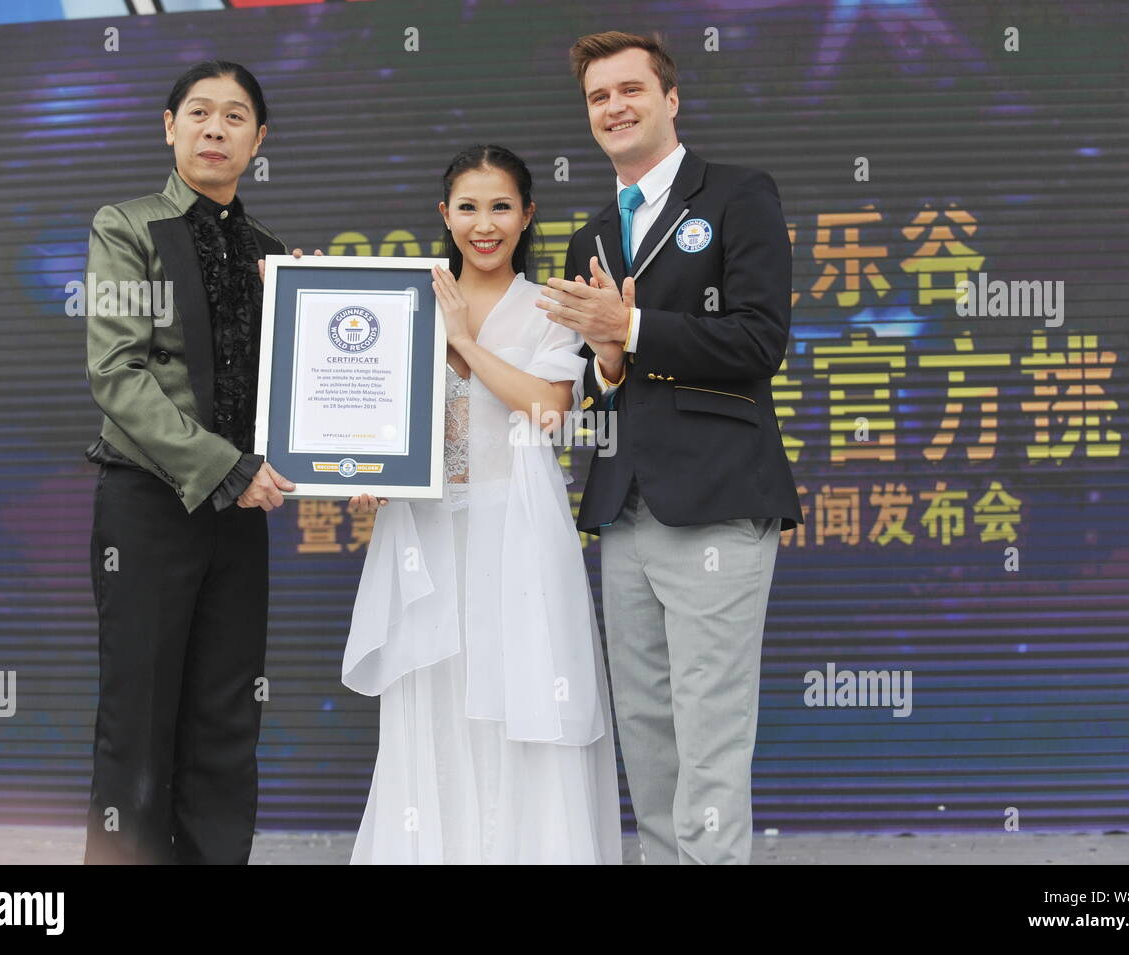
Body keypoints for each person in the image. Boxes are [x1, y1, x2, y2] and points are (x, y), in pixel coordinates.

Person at [537, 31, 805, 865]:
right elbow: (604, 378)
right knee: (646, 726)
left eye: (630, 90)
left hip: (718, 501)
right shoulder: (590, 236)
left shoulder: (735, 195)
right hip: (625, 506)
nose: (614, 107)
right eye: (598, 97)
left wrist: (635, 326)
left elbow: (761, 341)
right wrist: (611, 361)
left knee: (709, 723)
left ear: (670, 98)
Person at [341, 145, 622, 864]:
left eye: (501, 206)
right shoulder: (407, 299)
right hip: (426, 532)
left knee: (524, 700)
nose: (484, 224)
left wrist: (464, 341)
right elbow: (365, 403)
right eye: (468, 207)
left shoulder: (551, 307)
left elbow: (548, 410)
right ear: (445, 214)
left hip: (518, 532)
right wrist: (359, 458)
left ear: (528, 215)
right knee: (433, 701)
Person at [82, 60, 297, 864]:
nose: (216, 128)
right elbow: (117, 375)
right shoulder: (126, 226)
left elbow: (296, 388)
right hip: (148, 507)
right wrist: (227, 466)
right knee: (137, 720)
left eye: (235, 116)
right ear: (168, 125)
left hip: (239, 516)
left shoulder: (273, 253)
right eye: (199, 112)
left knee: (225, 721)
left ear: (259, 138)